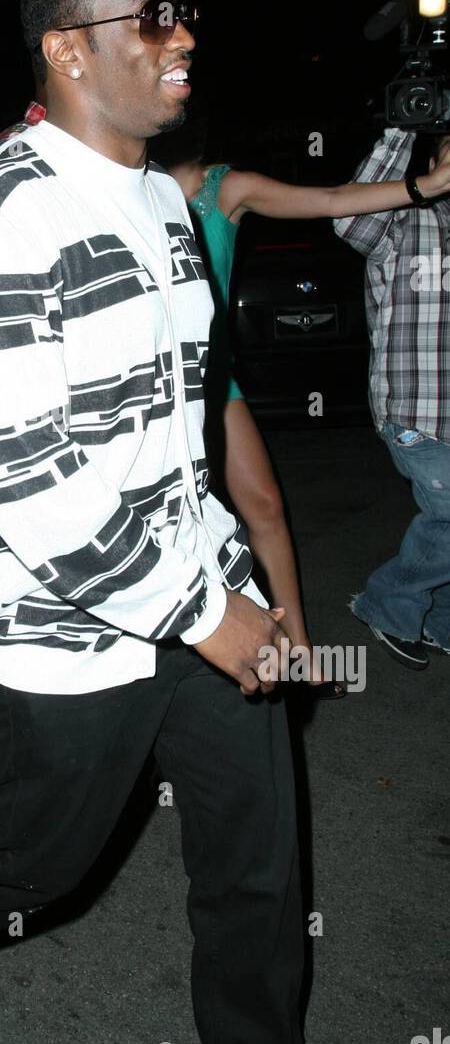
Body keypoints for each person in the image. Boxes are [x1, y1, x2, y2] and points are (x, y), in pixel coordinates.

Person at [0, 0, 304, 1044]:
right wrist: (211, 618)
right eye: (152, 14)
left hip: (190, 590)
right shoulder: (2, 213)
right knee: (39, 862)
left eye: (184, 8)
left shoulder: (156, 197)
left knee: (258, 859)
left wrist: (230, 578)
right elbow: (24, 481)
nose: (182, 34)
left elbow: (171, 430)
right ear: (65, 48)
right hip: (58, 628)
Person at [161, 120, 450, 696]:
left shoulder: (227, 187)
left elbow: (331, 201)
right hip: (147, 384)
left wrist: (427, 185)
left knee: (265, 504)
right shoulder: (127, 182)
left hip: (213, 377)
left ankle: (299, 649)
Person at [334, 128, 450, 669]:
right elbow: (348, 220)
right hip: (414, 409)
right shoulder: (402, 219)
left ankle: (436, 621)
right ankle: (388, 603)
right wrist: (403, 128)